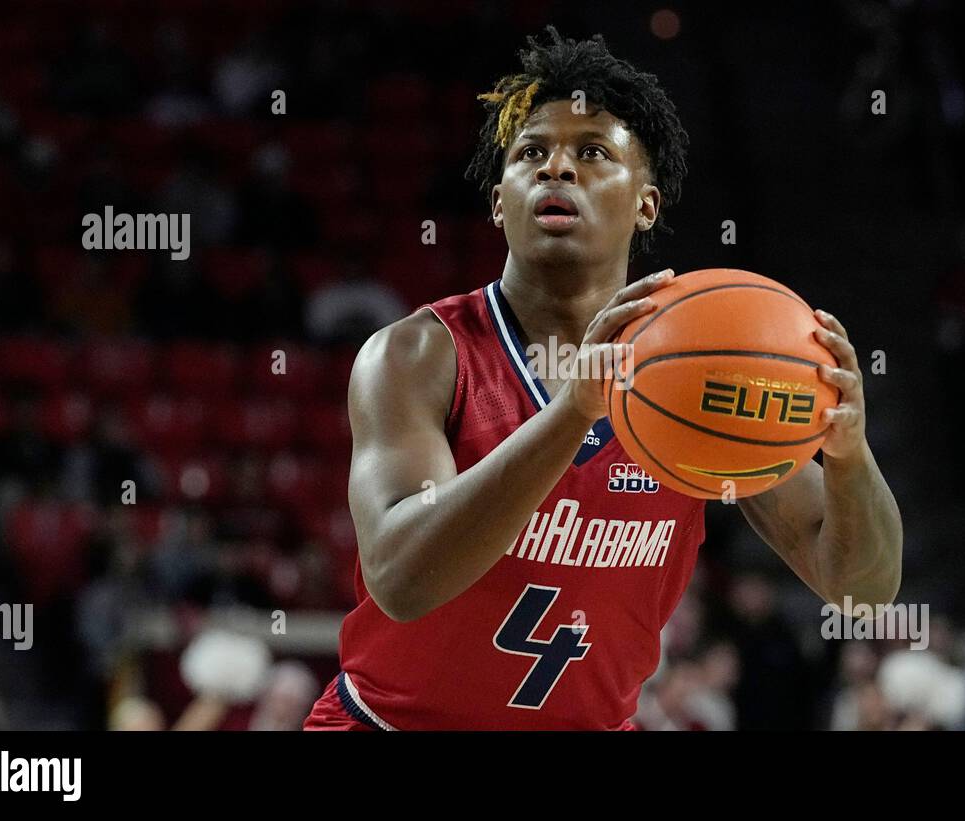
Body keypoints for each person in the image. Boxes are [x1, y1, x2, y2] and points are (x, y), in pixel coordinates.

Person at [304, 27, 902, 731]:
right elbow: (403, 579)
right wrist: (572, 413)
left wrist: (849, 453)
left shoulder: (704, 369)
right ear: (501, 202)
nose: (557, 168)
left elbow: (862, 591)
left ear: (646, 204)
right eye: (532, 154)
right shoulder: (417, 355)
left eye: (592, 153)